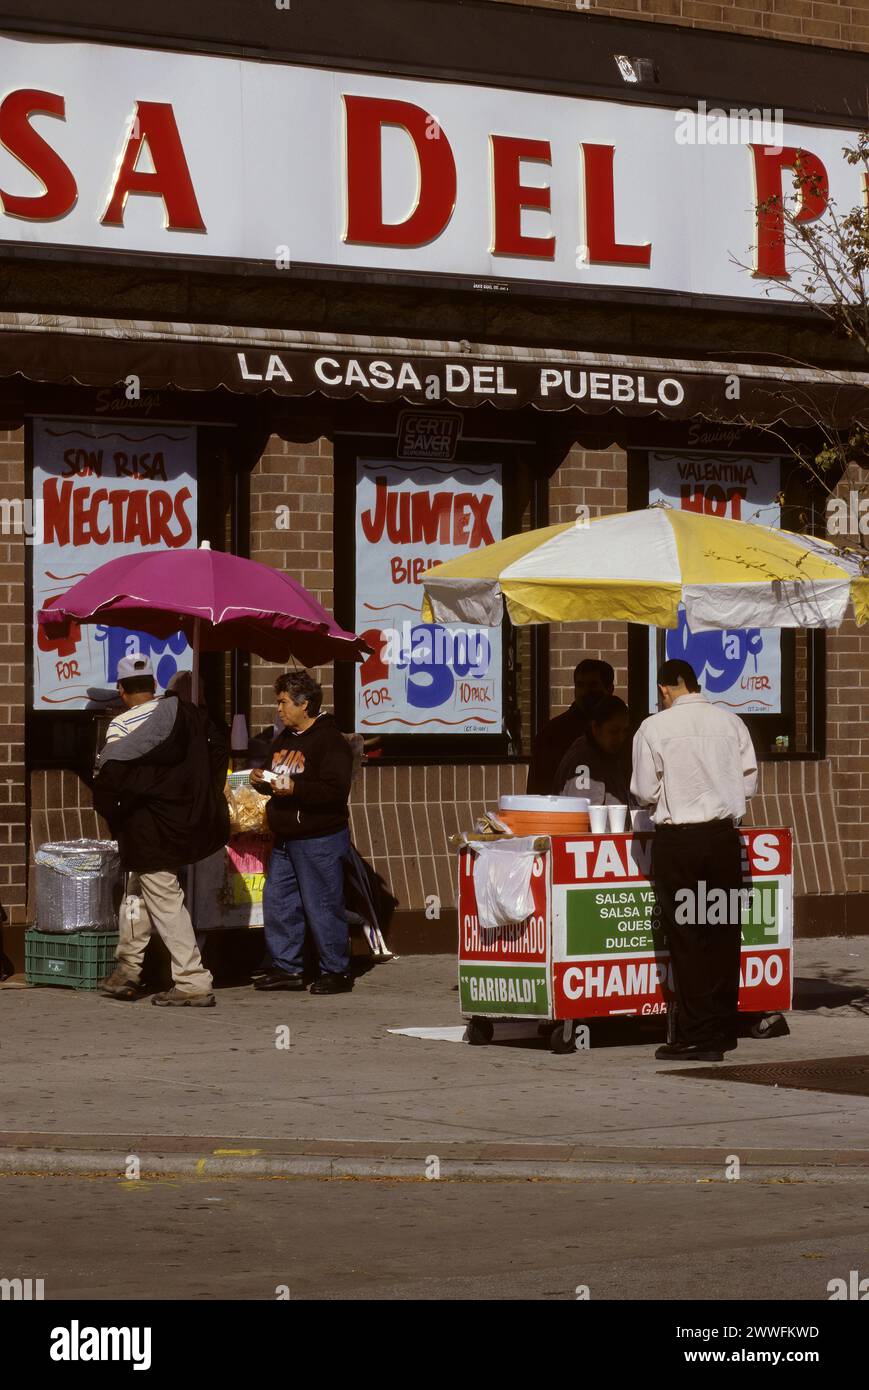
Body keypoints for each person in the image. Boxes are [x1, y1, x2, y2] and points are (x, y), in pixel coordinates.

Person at [631, 658, 758, 1063]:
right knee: (722, 931)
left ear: (668, 688)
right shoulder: (730, 723)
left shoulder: (654, 727)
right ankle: (722, 1026)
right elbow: (749, 782)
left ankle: (697, 1034)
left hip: (680, 841)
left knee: (687, 937)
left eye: (661, 691)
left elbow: (645, 790)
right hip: (723, 838)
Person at [94, 654, 230, 1007]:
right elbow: (217, 755)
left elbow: (110, 783)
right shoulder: (189, 717)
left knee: (166, 902)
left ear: (121, 690)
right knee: (136, 898)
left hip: (144, 831)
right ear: (154, 685)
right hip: (180, 824)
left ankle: (192, 979)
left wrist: (115, 810)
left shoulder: (121, 727)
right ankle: (127, 969)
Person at [251, 671, 354, 994]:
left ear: (304, 704)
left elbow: (334, 791)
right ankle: (286, 966)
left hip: (318, 837)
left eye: (283, 702)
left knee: (322, 903)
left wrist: (295, 789)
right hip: (285, 836)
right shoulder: (284, 739)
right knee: (279, 901)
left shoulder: (329, 741)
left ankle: (336, 969)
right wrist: (262, 779)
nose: (278, 709)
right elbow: (278, 775)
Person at [526, 658, 615, 794]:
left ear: (610, 689)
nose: (586, 692)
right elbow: (538, 789)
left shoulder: (620, 731)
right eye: (580, 685)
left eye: (593, 685)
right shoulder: (553, 733)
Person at [553, 694, 632, 804]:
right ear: (595, 728)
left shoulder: (606, 754)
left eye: (625, 731)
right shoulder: (585, 761)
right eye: (613, 731)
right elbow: (584, 813)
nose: (621, 738)